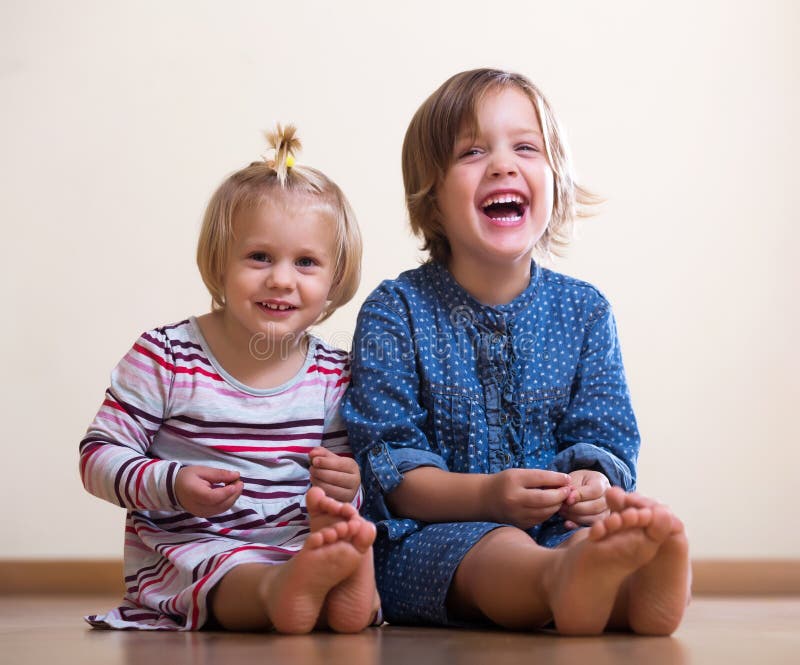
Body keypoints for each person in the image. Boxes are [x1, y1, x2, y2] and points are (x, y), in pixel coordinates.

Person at [341, 68, 690, 635]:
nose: (503, 164)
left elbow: (603, 436)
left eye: (526, 147)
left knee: (589, 539)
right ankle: (561, 581)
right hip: (436, 538)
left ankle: (627, 594)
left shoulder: (585, 311)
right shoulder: (396, 309)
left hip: (557, 530)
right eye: (472, 151)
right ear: (431, 201)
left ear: (557, 181)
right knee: (493, 547)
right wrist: (487, 496)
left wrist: (592, 488)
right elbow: (394, 471)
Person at [79, 125, 380, 633]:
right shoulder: (166, 358)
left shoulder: (333, 374)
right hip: (191, 549)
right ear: (219, 262)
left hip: (295, 545)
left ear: (334, 279)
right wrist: (172, 483)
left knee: (325, 547)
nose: (281, 279)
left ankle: (342, 587)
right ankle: (284, 592)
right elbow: (96, 458)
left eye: (306, 263)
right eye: (259, 257)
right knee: (232, 575)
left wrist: (345, 491)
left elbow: (339, 475)